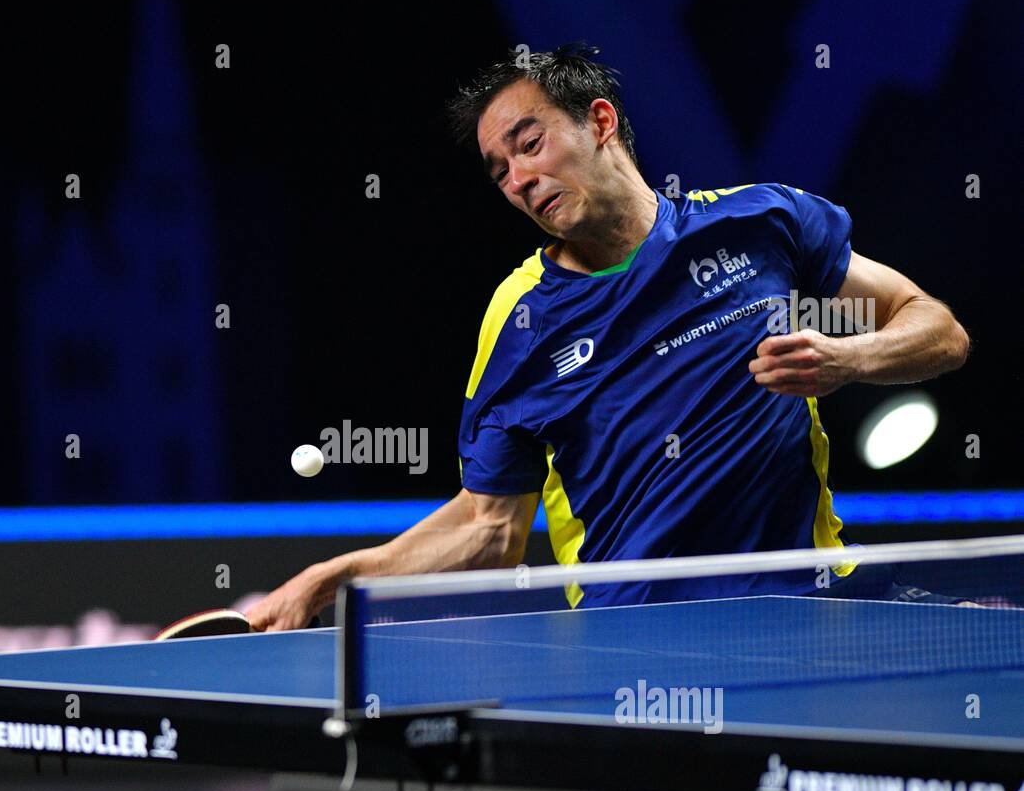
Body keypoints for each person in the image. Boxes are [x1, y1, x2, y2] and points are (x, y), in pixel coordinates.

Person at [246, 43, 969, 630]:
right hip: (635, 650)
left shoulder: (759, 224)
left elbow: (938, 327)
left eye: (529, 145)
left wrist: (850, 357)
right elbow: (491, 532)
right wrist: (336, 576)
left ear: (599, 121)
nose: (519, 180)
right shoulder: (519, 320)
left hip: (810, 608)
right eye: (499, 172)